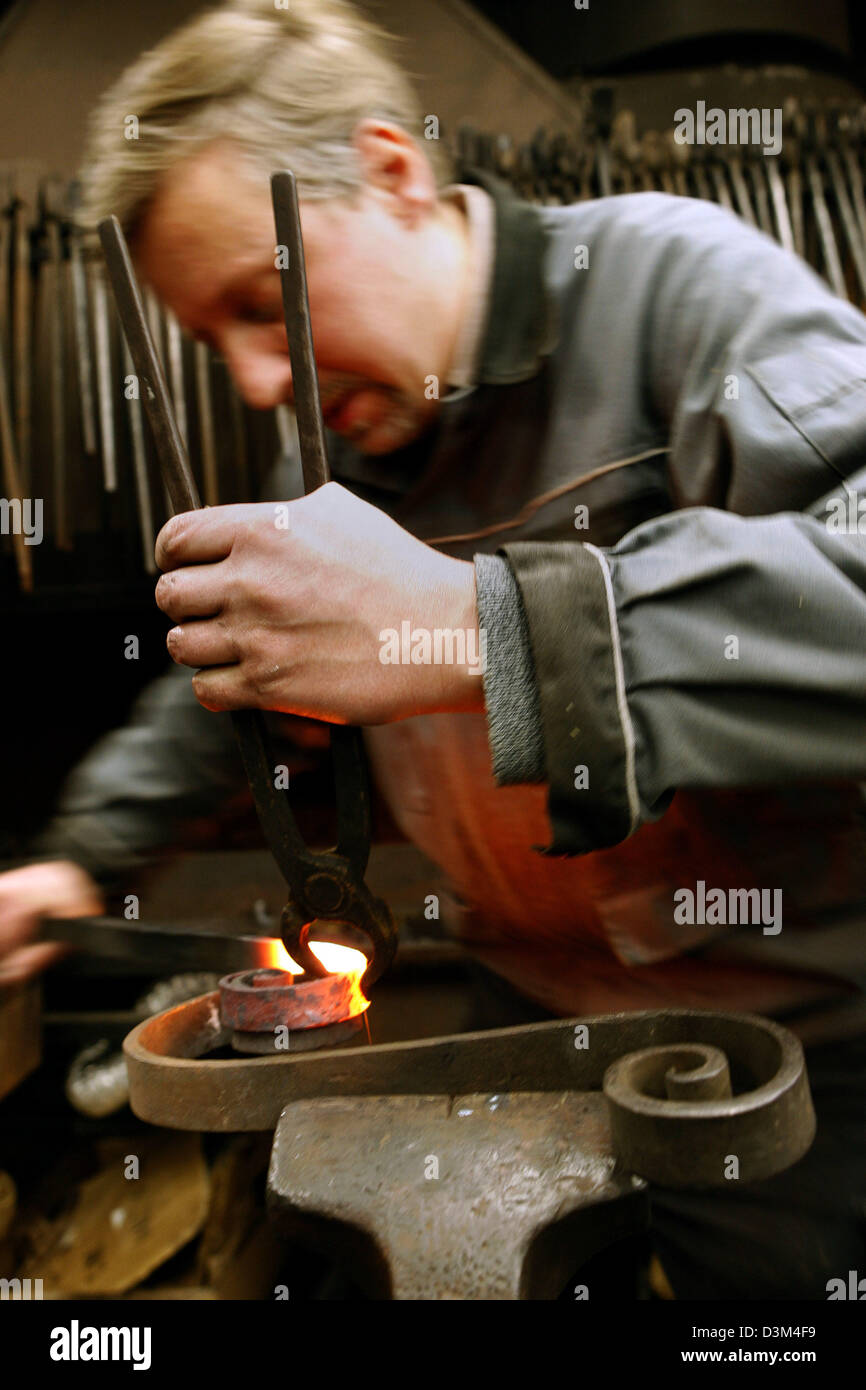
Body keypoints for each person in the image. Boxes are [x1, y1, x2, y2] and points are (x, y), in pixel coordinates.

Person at [3, 0, 866, 1298]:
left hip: (782, 1045)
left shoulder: (673, 285)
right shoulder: (345, 449)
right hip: (520, 1020)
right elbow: (218, 691)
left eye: (260, 304)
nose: (251, 381)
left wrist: (481, 624)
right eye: (207, 340)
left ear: (393, 172)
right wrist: (79, 861)